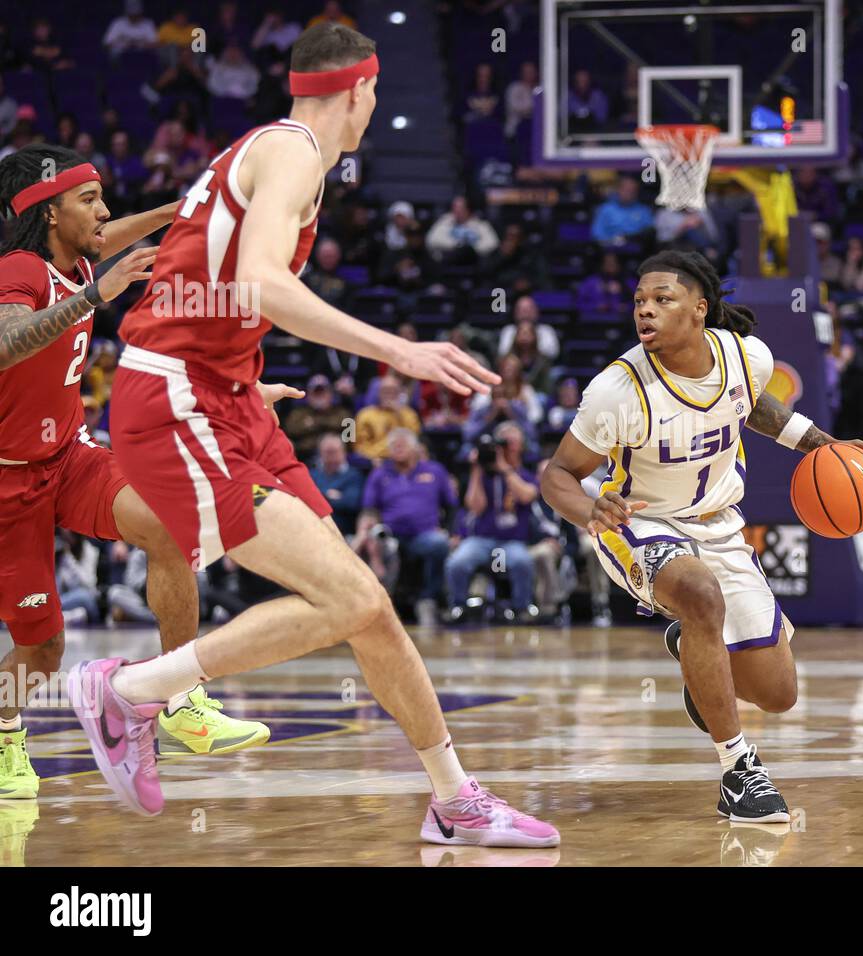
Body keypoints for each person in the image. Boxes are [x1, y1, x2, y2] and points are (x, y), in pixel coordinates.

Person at [77, 23, 556, 847]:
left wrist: (238, 373)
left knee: (364, 610)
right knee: (353, 598)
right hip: (178, 399)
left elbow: (217, 287)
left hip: (225, 396)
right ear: (361, 92)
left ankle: (454, 800)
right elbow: (261, 280)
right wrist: (397, 349)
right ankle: (131, 689)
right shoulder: (295, 153)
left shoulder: (275, 149)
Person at [542, 249, 863, 823]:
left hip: (720, 526)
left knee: (778, 694)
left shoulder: (744, 356)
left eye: (662, 299)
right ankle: (739, 773)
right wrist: (589, 511)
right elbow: (557, 474)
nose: (645, 311)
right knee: (700, 596)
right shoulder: (617, 389)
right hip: (640, 524)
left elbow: (755, 407)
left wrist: (826, 446)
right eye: (639, 302)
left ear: (700, 309)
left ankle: (692, 650)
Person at [0, 145, 269, 801]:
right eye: (88, 199)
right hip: (7, 481)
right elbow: (6, 341)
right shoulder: (19, 269)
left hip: (69, 456)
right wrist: (97, 294)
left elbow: (114, 233)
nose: (105, 210)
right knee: (43, 650)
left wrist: (182, 210)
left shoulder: (78, 253)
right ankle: (5, 736)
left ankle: (181, 701)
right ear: (48, 211)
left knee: (173, 529)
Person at [355, 428, 458, 627]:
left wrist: (451, 531)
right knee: (377, 543)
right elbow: (369, 508)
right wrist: (369, 528)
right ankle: (382, 604)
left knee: (439, 544)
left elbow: (452, 506)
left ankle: (428, 599)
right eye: (394, 446)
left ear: (415, 448)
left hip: (424, 533)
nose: (398, 449)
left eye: (403, 445)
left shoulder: (434, 471)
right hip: (390, 533)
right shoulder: (380, 473)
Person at [444, 421, 539, 623]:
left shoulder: (526, 474)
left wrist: (504, 469)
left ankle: (522, 608)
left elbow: (526, 496)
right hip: (482, 539)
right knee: (457, 562)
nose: (507, 449)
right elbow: (475, 507)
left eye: (512, 443)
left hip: (512, 541)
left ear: (520, 447)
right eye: (504, 443)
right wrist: (477, 470)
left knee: (522, 562)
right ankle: (458, 607)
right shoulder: (483, 474)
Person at [282, 373, 351, 458]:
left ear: (330, 394)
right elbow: (289, 430)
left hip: (335, 457)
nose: (320, 396)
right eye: (316, 393)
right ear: (308, 395)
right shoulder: (298, 413)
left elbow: (350, 436)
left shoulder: (342, 413)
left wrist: (315, 423)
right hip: (304, 457)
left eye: (323, 392)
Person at [308, 433, 364, 534]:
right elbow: (306, 501)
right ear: (320, 453)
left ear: (343, 452)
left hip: (344, 532)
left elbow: (351, 503)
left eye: (334, 452)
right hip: (313, 531)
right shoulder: (312, 474)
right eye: (327, 452)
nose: (331, 456)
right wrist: (329, 494)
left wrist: (319, 496)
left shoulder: (354, 476)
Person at [591, 176, 654, 246]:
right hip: (610, 249)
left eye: (632, 191)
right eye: (626, 190)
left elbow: (649, 232)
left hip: (638, 250)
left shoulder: (644, 210)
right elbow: (598, 234)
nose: (629, 194)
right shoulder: (605, 209)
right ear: (618, 190)